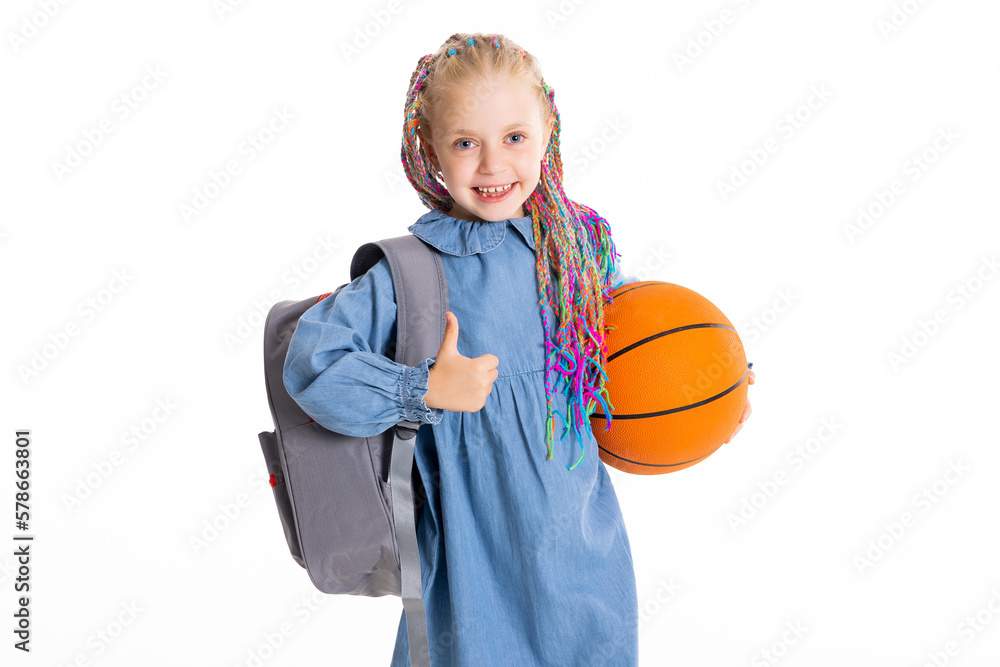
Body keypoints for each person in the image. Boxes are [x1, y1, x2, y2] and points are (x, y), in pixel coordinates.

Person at [282, 32, 753, 666]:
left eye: (514, 137)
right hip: (472, 568)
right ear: (430, 152)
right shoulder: (411, 273)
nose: (493, 165)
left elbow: (644, 335)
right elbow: (312, 365)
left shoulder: (572, 252)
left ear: (547, 132)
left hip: (584, 557)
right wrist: (420, 388)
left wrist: (714, 386)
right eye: (465, 143)